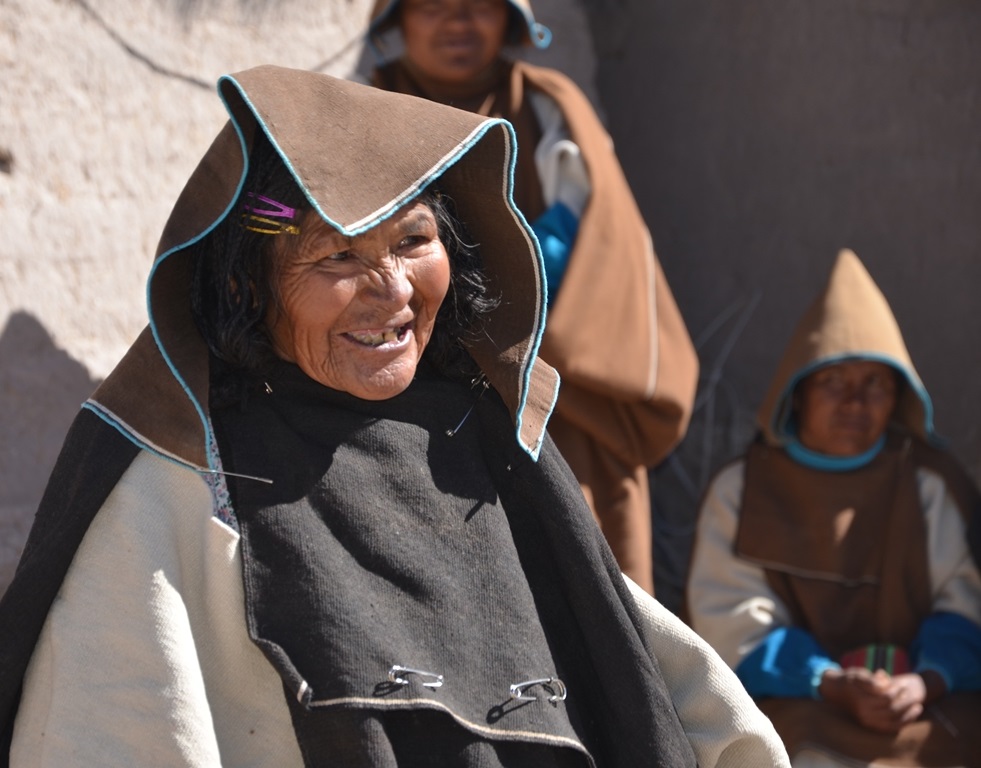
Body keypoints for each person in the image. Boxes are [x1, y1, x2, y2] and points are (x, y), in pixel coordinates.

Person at [0, 66, 787, 766]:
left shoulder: (484, 436)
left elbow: (645, 675)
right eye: (336, 257)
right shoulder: (184, 477)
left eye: (415, 240)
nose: (395, 292)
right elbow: (117, 725)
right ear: (244, 286)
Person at [365, 0, 700, 594]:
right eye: (434, 7)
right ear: (398, 22)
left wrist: (523, 311)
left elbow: (609, 246)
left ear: (512, 23)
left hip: (555, 387)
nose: (458, 24)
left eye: (479, 8)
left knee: (585, 585)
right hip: (415, 385)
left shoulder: (550, 109)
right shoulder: (363, 112)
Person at [687, 249, 981, 767]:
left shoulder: (928, 484)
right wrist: (828, 681)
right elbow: (731, 625)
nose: (854, 401)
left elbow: (964, 602)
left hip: (924, 707)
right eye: (833, 381)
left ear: (898, 400)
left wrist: (926, 680)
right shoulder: (742, 489)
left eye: (875, 383)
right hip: (799, 706)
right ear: (796, 396)